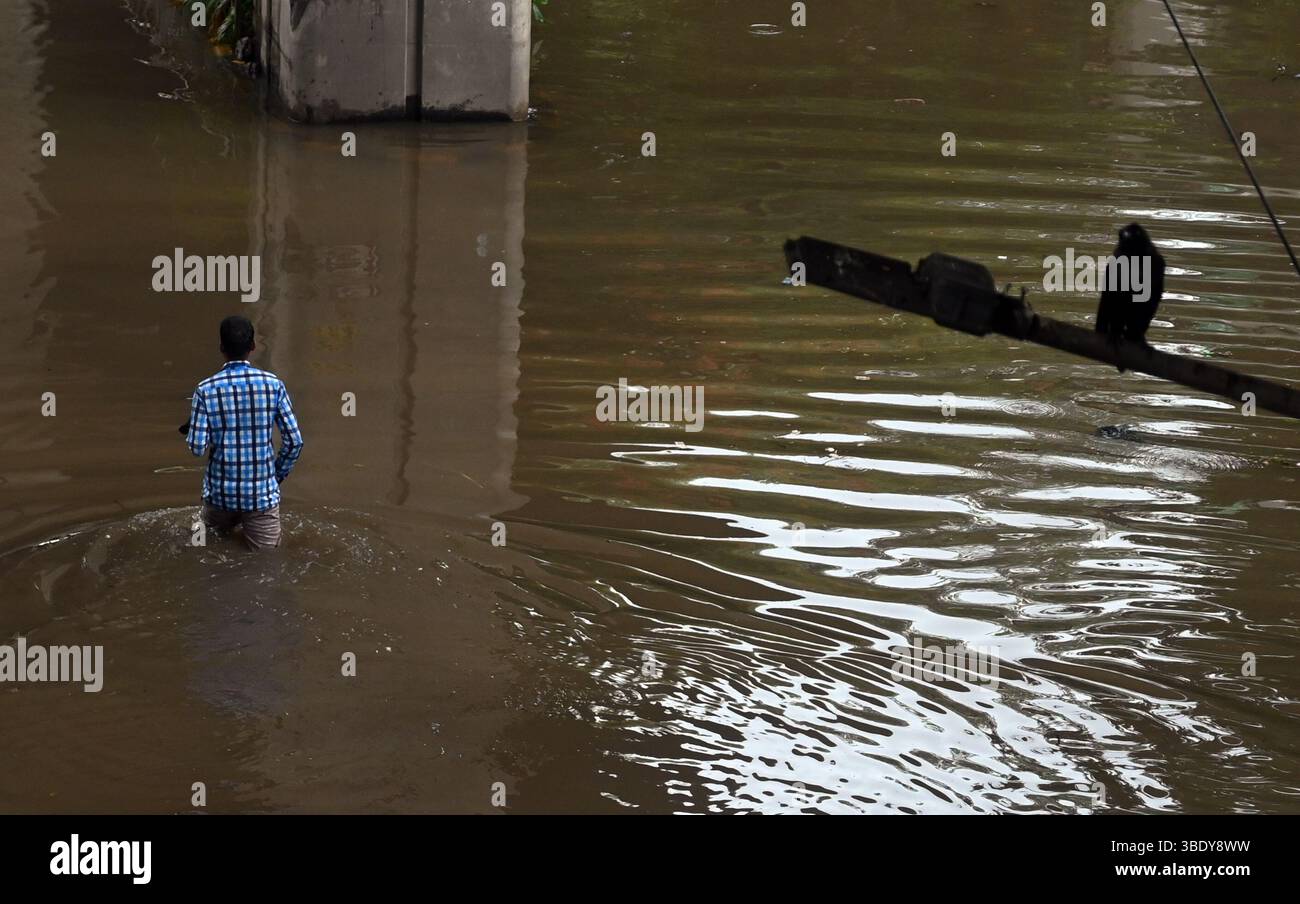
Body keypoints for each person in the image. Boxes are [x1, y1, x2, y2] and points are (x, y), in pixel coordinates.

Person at [184, 315, 303, 550]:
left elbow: (197, 448)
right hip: (261, 498)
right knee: (267, 563)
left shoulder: (205, 390)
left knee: (207, 551)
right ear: (252, 347)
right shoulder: (273, 385)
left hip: (219, 497)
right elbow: (295, 442)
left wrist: (197, 428)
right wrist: (274, 477)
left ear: (221, 348)